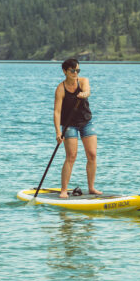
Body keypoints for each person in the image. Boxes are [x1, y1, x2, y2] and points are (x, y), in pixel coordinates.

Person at [54, 58, 102, 197]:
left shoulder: (83, 81)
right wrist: (58, 132)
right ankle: (63, 190)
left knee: (92, 155)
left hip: (86, 122)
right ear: (65, 71)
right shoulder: (60, 89)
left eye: (77, 70)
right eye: (72, 70)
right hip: (69, 124)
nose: (75, 73)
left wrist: (84, 94)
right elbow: (57, 112)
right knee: (71, 156)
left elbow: (87, 91)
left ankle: (91, 188)